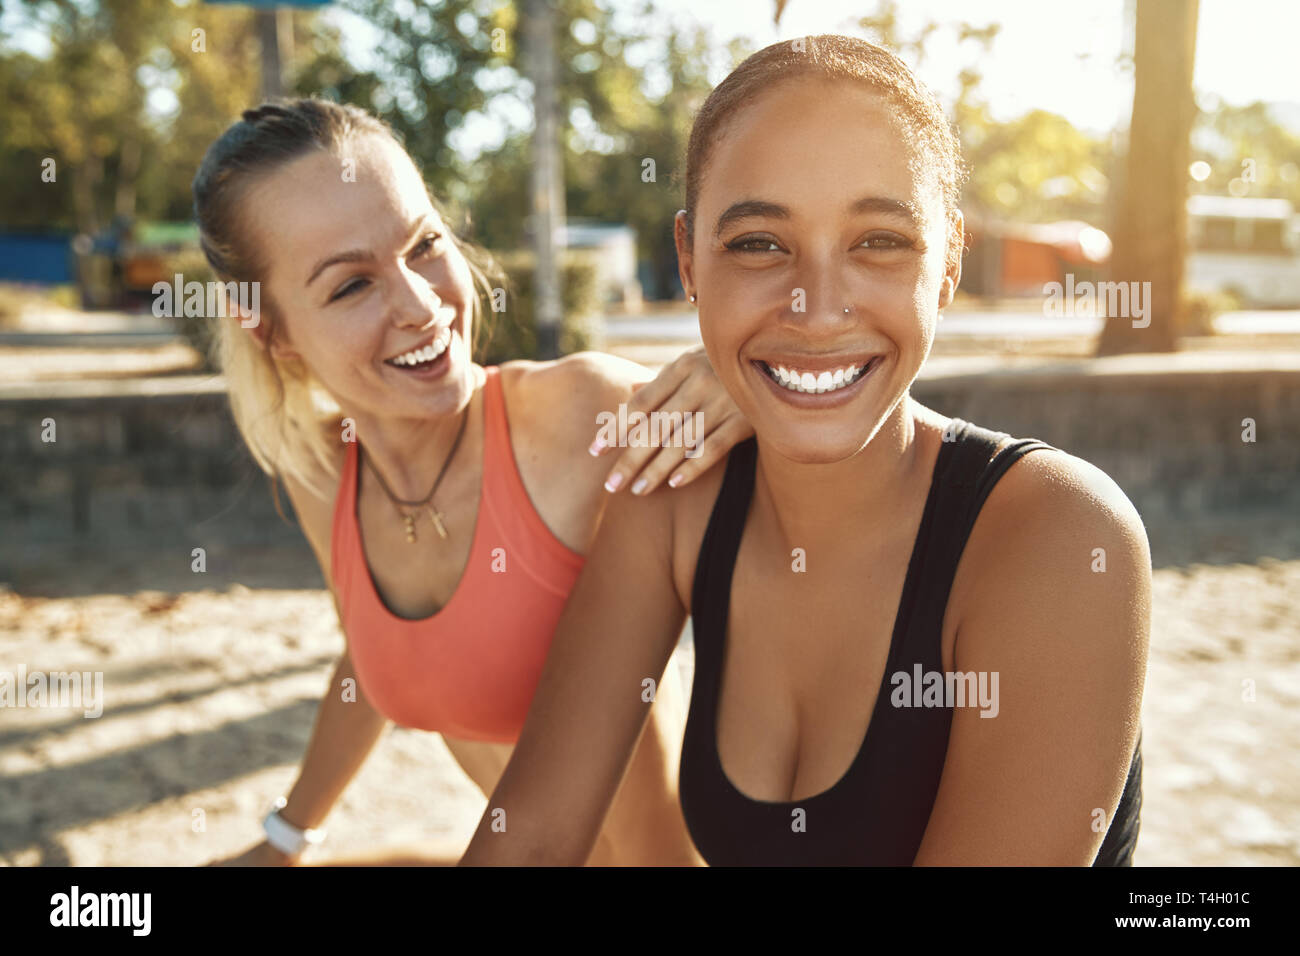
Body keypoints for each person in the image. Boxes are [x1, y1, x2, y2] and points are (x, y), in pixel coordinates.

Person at [460, 35, 1150, 867]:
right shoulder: (675, 493)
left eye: (880, 242)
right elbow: (527, 842)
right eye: (758, 242)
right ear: (688, 257)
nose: (817, 308)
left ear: (949, 264)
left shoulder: (1061, 535)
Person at [193, 98, 752, 866]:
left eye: (423, 244)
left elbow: (855, 530)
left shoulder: (583, 419)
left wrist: (759, 391)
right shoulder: (324, 475)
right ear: (271, 330)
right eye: (350, 286)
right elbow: (373, 656)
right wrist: (287, 838)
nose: (422, 305)